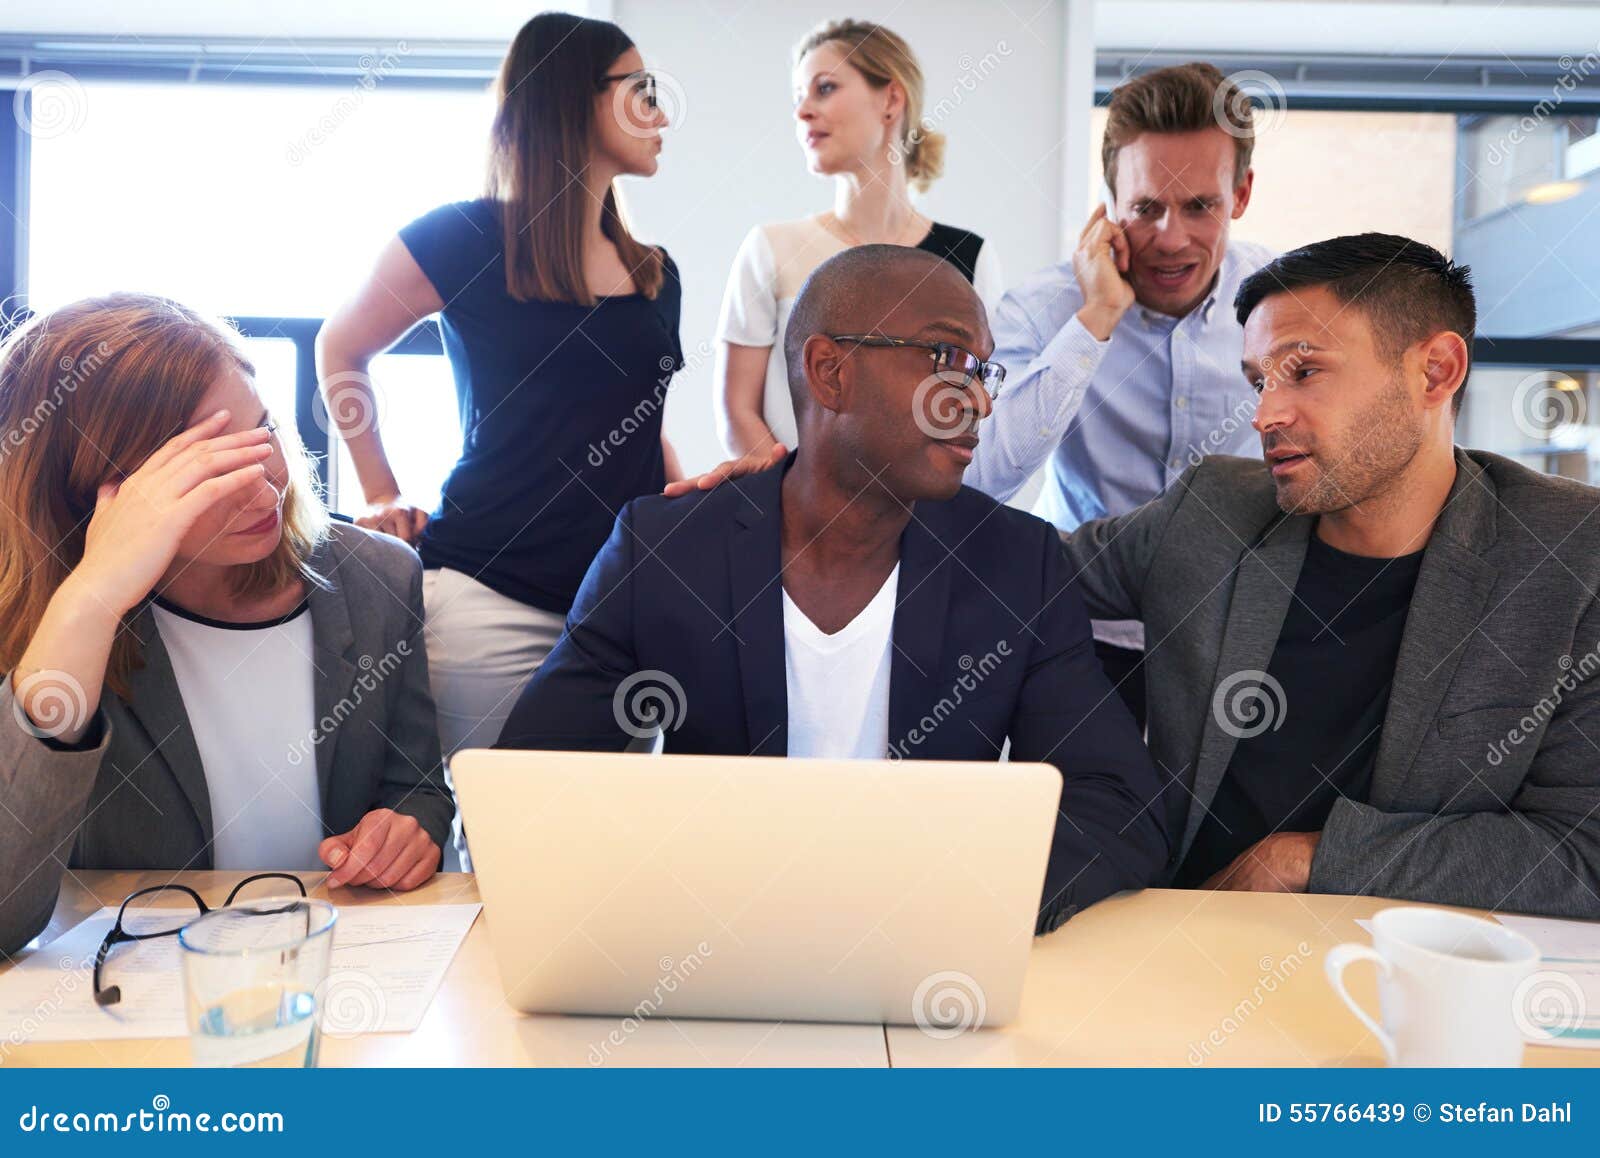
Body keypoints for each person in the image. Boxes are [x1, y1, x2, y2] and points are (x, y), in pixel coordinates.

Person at [500, 246, 1170, 935]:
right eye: (947, 358)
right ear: (830, 372)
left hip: (925, 971)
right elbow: (532, 787)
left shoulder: (1016, 565)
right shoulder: (667, 551)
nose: (978, 397)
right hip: (714, 960)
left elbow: (1116, 808)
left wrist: (947, 902)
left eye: (984, 369)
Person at [1059, 233, 1600, 917]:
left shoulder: (1571, 554)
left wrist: (1306, 860)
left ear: (1435, 371)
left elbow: (1583, 856)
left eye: (1304, 372)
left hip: (1408, 973)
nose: (1263, 415)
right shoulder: (1212, 511)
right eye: (1259, 380)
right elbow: (1022, 572)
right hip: (1179, 947)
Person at [0, 294, 453, 956]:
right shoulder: (42, 622)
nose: (265, 480)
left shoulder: (377, 579)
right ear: (96, 490)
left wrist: (411, 829)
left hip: (329, 971)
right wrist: (92, 596)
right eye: (209, 461)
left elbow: (415, 788)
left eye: (263, 431)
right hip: (127, 1003)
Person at [316, 12, 685, 811]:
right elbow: (341, 349)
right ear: (574, 99)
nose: (661, 114)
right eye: (641, 92)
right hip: (490, 598)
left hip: (619, 608)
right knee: (484, 846)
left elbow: (644, 429)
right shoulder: (459, 237)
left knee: (598, 856)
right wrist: (380, 493)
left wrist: (680, 529)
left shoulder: (655, 274)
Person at [963, 62, 1274, 729]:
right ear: (1108, 202)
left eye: (1200, 206)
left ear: (1240, 194)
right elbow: (981, 472)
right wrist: (1096, 317)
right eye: (1145, 207)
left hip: (1247, 640)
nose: (1170, 237)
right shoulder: (1048, 307)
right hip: (1082, 639)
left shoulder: (1288, 305)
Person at [714, 18, 1003, 460]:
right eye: (797, 98)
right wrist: (791, 505)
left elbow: (976, 413)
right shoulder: (769, 248)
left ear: (890, 99)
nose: (802, 111)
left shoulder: (969, 259)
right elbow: (737, 411)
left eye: (824, 88)